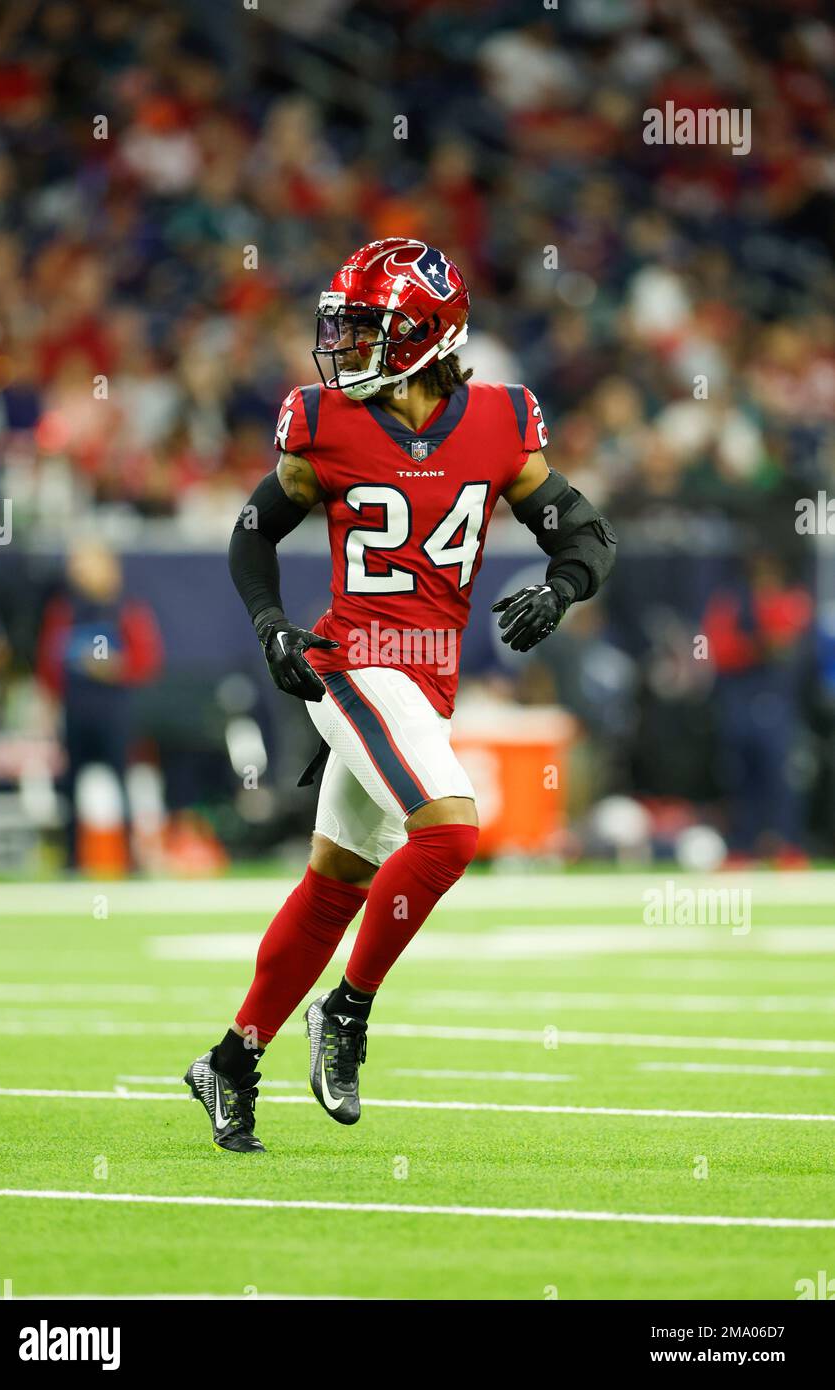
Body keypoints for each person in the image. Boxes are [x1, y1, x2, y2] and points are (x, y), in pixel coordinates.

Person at [184, 237, 617, 1151]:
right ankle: (346, 1011)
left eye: (366, 326)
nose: (343, 344)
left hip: (426, 680)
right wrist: (270, 626)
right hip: (352, 662)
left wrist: (559, 590)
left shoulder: (499, 420)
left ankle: (229, 1062)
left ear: (426, 333)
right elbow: (251, 535)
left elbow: (585, 535)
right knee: (453, 830)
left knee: (337, 880)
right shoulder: (324, 422)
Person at [36, 541, 163, 867]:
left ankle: (129, 859)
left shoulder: (126, 609)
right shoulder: (63, 611)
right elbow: (49, 663)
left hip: (112, 711)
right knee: (68, 785)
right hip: (75, 709)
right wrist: (49, 704)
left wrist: (114, 667)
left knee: (122, 782)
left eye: (87, 564)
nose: (79, 572)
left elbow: (146, 660)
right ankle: (71, 860)